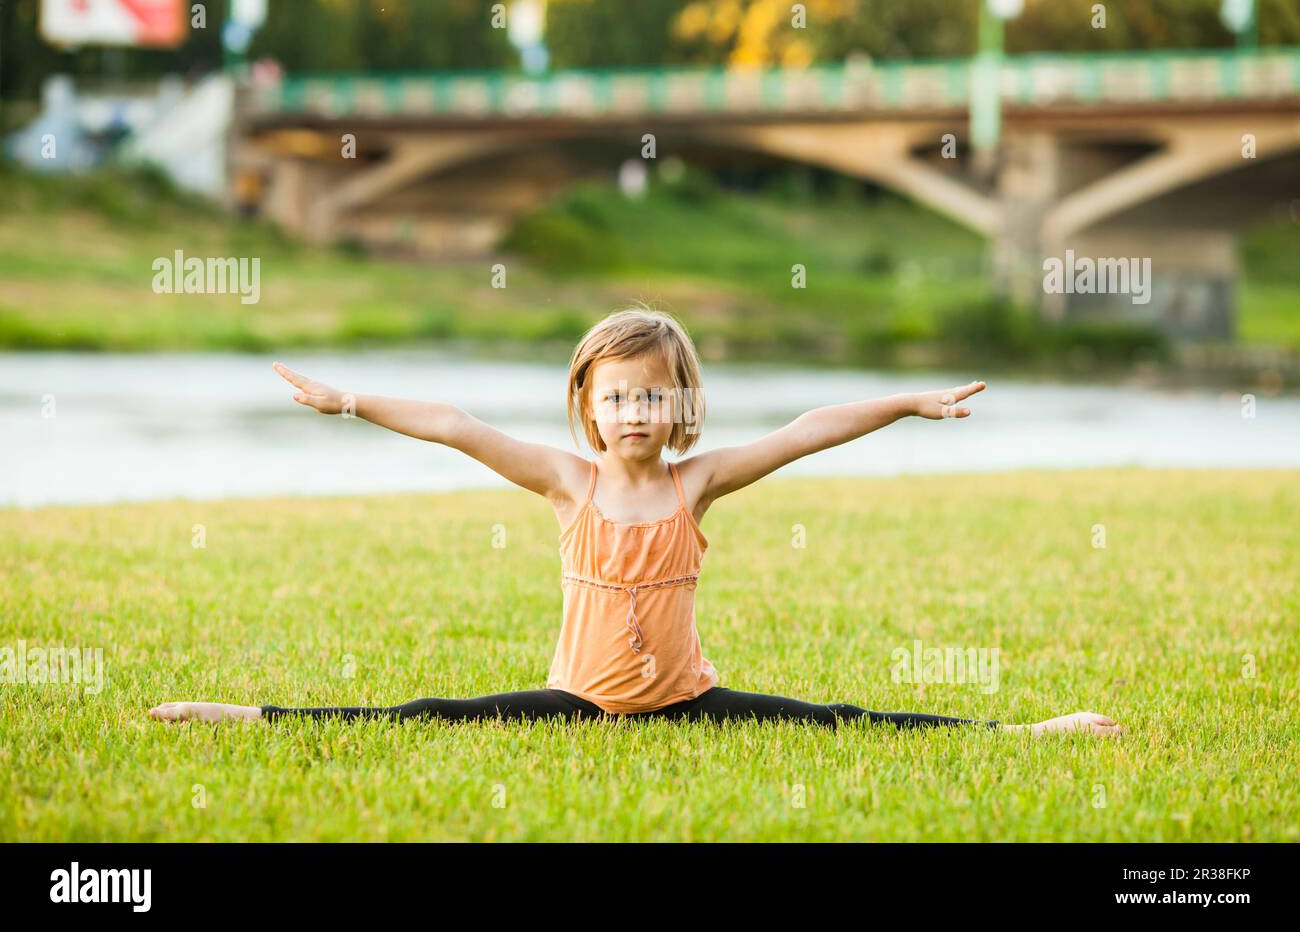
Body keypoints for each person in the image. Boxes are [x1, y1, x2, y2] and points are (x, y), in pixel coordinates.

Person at [150, 307, 1120, 738]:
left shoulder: (695, 484)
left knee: (839, 719)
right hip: (576, 698)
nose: (635, 416)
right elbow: (455, 423)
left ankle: (1034, 729)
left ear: (680, 404)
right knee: (430, 714)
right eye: (617, 399)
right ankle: (243, 714)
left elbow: (803, 430)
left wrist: (904, 401)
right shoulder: (567, 482)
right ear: (588, 403)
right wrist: (351, 398)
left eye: (652, 399)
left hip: (688, 700)